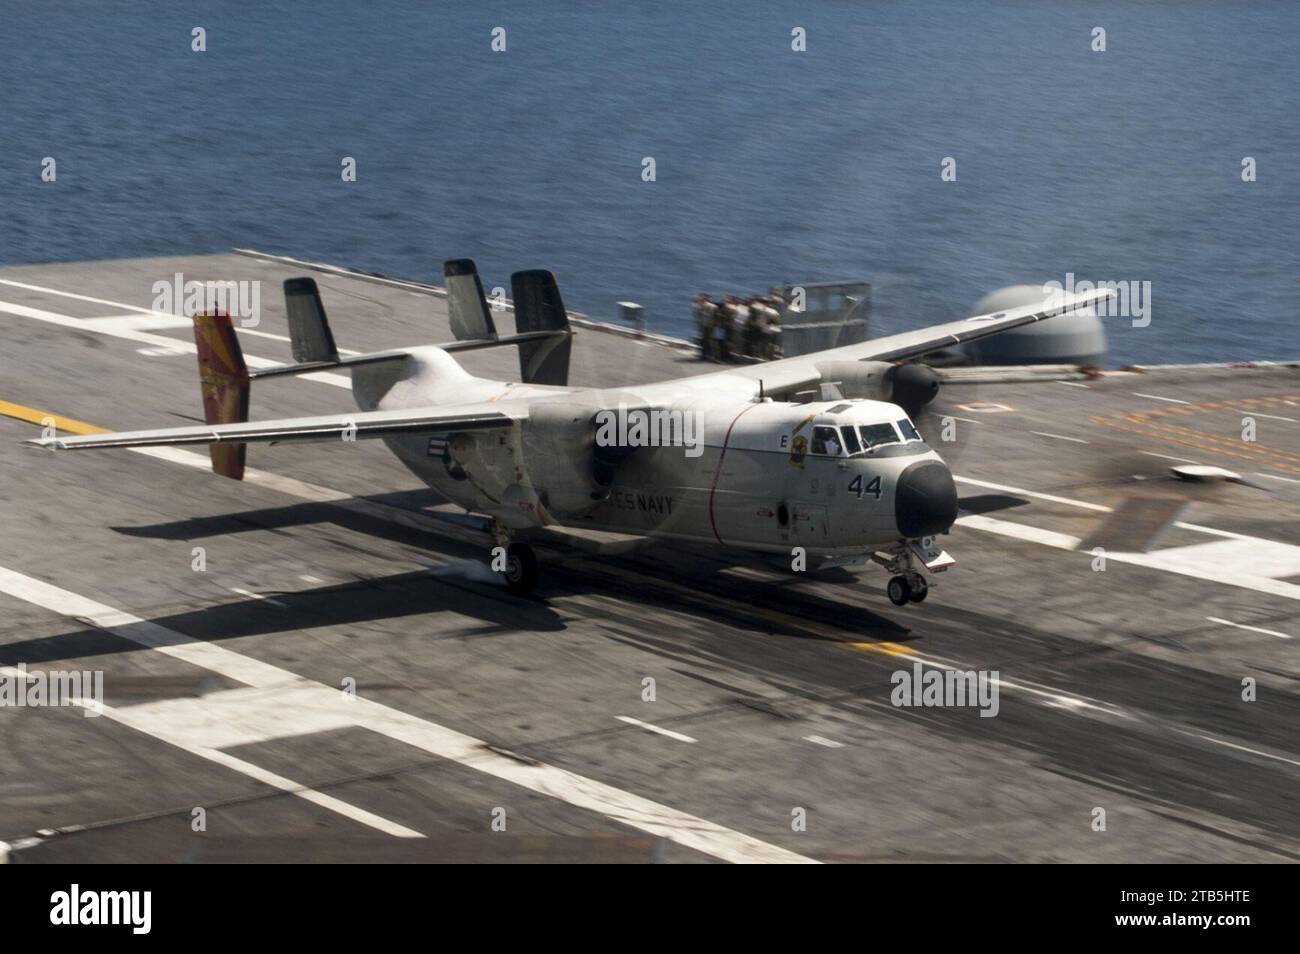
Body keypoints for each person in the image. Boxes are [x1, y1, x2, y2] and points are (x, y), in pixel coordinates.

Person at [694, 294, 718, 359]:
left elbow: (703, 315)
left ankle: (705, 354)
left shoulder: (707, 306)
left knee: (705, 340)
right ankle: (707, 354)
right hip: (708, 325)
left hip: (707, 325)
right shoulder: (711, 306)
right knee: (707, 340)